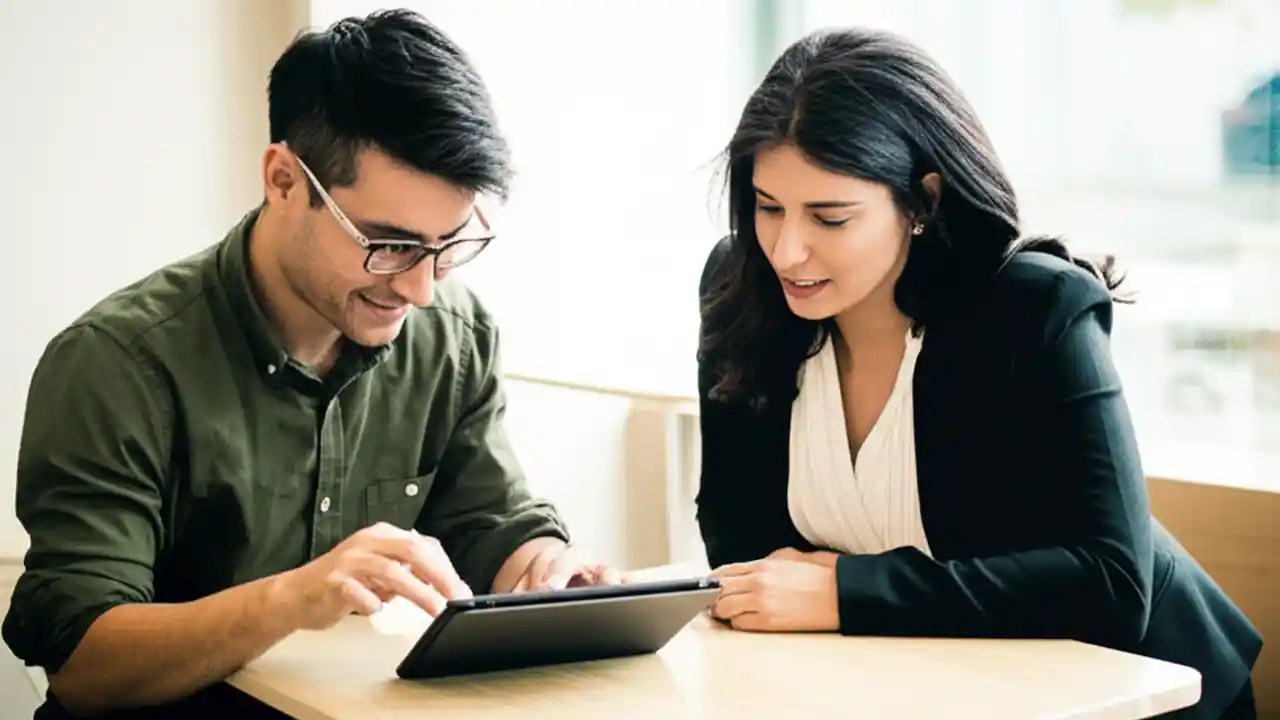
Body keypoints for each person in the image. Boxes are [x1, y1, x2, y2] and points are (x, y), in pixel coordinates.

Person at [3, 10, 619, 719]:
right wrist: (288, 599)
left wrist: (545, 569)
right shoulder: (117, 363)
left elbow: (488, 520)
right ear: (284, 179)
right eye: (387, 244)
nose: (420, 288)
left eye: (449, 244)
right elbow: (82, 663)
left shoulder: (452, 332)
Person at [694, 27, 1261, 720]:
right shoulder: (741, 290)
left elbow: (1110, 586)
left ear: (923, 202)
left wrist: (847, 591)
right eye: (767, 206)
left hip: (1141, 692)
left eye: (830, 217)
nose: (787, 250)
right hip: (931, 684)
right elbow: (742, 542)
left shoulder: (1034, 310)